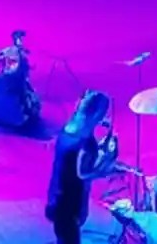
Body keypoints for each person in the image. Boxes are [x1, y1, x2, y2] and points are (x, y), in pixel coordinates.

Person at [46, 90, 118, 244]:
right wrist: (106, 169)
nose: (103, 118)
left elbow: (75, 162)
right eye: (102, 114)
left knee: (64, 234)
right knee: (69, 237)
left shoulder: (72, 127)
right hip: (69, 200)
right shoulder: (83, 141)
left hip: (58, 192)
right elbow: (82, 173)